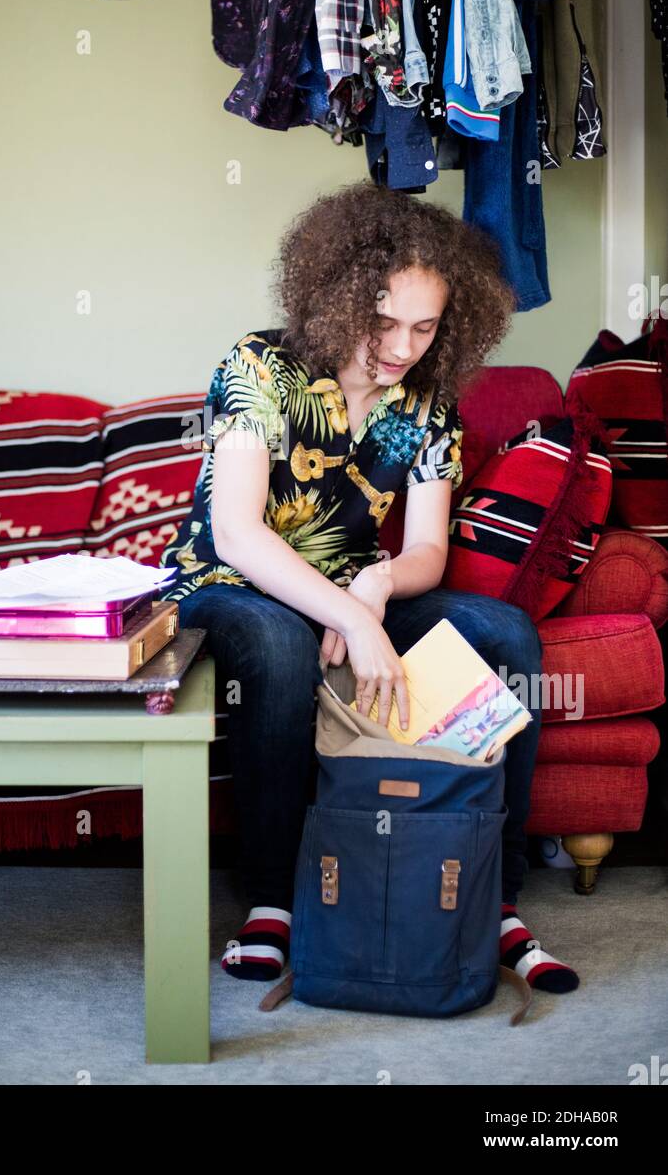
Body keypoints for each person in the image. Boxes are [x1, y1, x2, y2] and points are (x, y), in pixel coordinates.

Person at [160, 182, 579, 996]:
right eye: (383, 321)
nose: (401, 347)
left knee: (506, 635)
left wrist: (377, 585)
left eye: (425, 327)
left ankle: (495, 898)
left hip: (351, 590)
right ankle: (274, 898)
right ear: (339, 297)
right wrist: (352, 619)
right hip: (228, 584)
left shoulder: (428, 403)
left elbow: (428, 549)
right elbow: (238, 534)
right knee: (280, 643)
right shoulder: (259, 367)